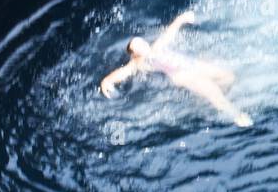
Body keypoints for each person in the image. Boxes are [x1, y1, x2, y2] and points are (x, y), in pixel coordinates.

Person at [99, 11, 252, 127]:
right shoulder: (141, 63)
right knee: (214, 94)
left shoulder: (158, 46)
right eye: (136, 46)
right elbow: (123, 72)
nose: (142, 45)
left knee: (229, 77)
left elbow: (170, 31)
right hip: (184, 75)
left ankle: (205, 101)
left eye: (141, 42)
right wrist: (107, 81)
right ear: (135, 54)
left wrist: (182, 18)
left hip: (193, 64)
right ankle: (236, 115)